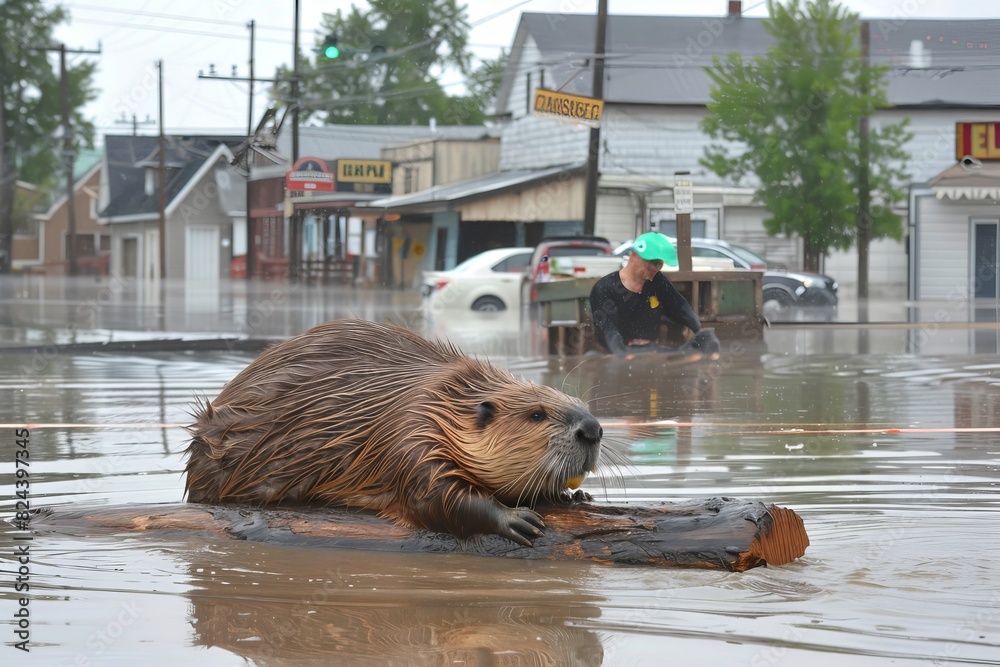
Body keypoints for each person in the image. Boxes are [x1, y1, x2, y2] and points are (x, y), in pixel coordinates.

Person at [589, 232, 717, 358]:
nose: (655, 268)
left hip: (649, 352)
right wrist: (623, 355)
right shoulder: (605, 288)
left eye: (659, 264)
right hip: (613, 354)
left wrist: (700, 331)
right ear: (634, 255)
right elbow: (610, 331)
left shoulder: (657, 282)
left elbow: (679, 307)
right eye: (651, 262)